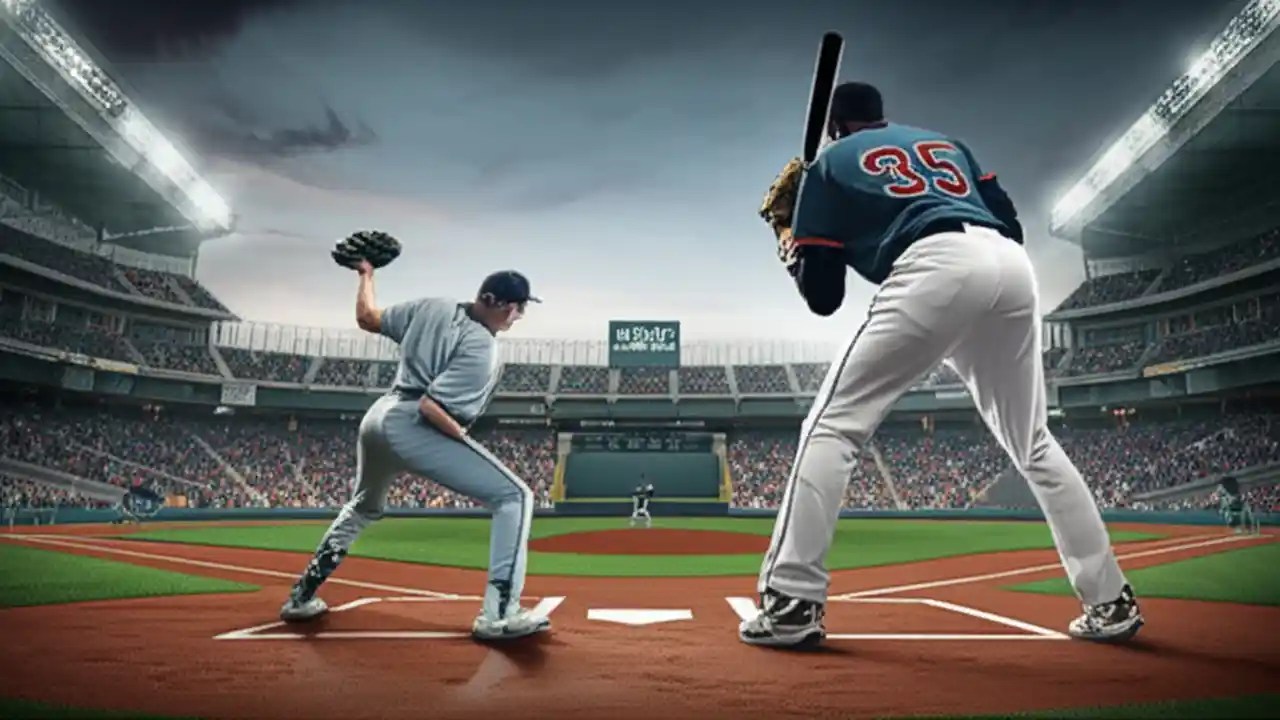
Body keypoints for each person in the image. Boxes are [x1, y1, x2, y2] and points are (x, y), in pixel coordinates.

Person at [740, 81, 1142, 647]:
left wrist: (792, 238)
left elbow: (824, 297)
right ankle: (1110, 599)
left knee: (832, 425)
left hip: (935, 267)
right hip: (1008, 264)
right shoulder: (945, 144)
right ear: (882, 119)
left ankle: (791, 601)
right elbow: (1011, 222)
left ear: (833, 128)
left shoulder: (826, 169)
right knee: (1033, 441)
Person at [278, 260, 551, 641]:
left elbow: (368, 318)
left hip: (377, 418)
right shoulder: (481, 347)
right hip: (414, 424)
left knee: (362, 508)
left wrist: (366, 276)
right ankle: (499, 615)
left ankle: (301, 598)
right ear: (491, 301)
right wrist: (462, 438)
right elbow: (431, 408)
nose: (517, 314)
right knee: (515, 496)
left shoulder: (432, 306)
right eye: (515, 306)